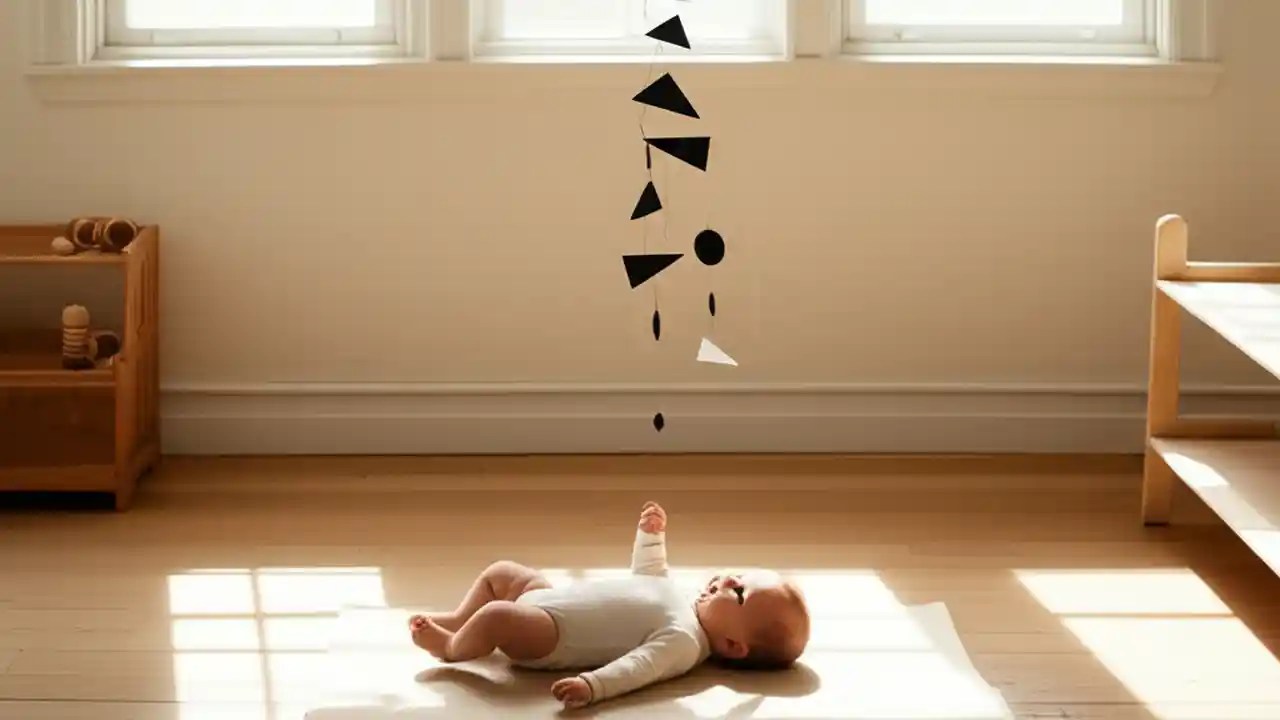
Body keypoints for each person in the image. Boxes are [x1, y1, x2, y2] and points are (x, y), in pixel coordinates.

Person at [408, 501, 811, 709]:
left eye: (738, 592)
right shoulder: (680, 601)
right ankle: (462, 619)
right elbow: (649, 572)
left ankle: (452, 648)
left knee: (497, 616)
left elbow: (638, 669)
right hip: (549, 597)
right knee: (504, 572)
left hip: (551, 633)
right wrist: (651, 536)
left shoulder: (684, 642)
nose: (725, 580)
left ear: (734, 645)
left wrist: (594, 685)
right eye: (735, 574)